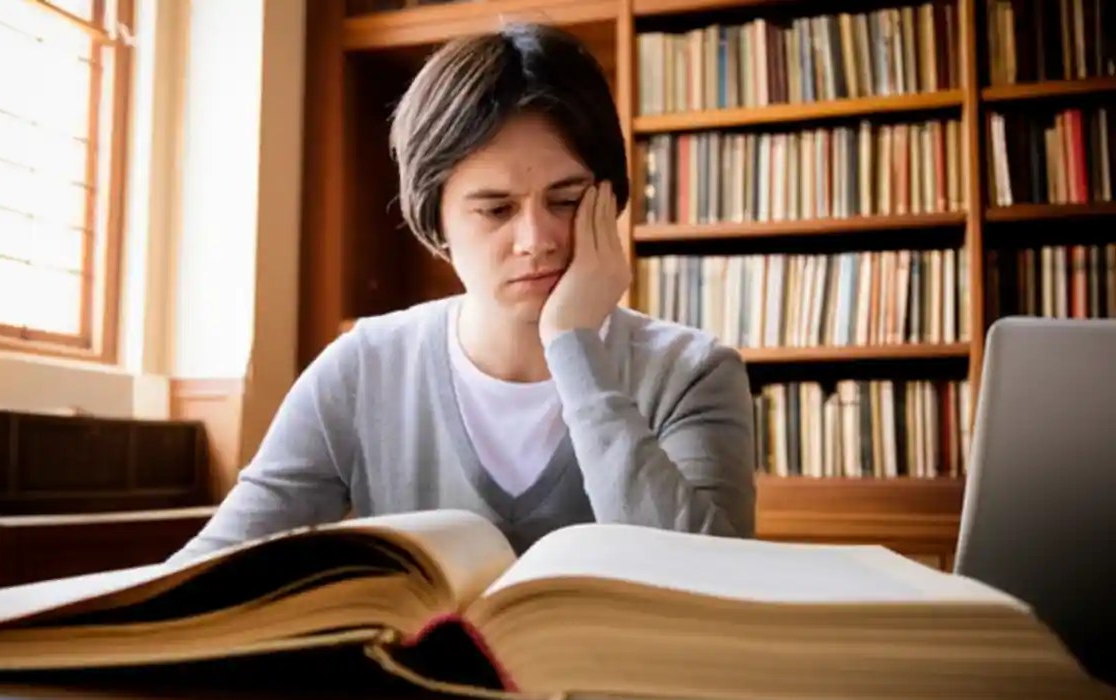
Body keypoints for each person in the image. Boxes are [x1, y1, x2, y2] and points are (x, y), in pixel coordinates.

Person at [169, 22, 754, 562]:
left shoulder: (693, 373)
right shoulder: (363, 368)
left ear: (610, 198)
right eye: (496, 209)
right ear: (436, 222)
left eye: (568, 201)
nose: (537, 240)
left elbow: (707, 583)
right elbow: (211, 569)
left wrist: (576, 348)